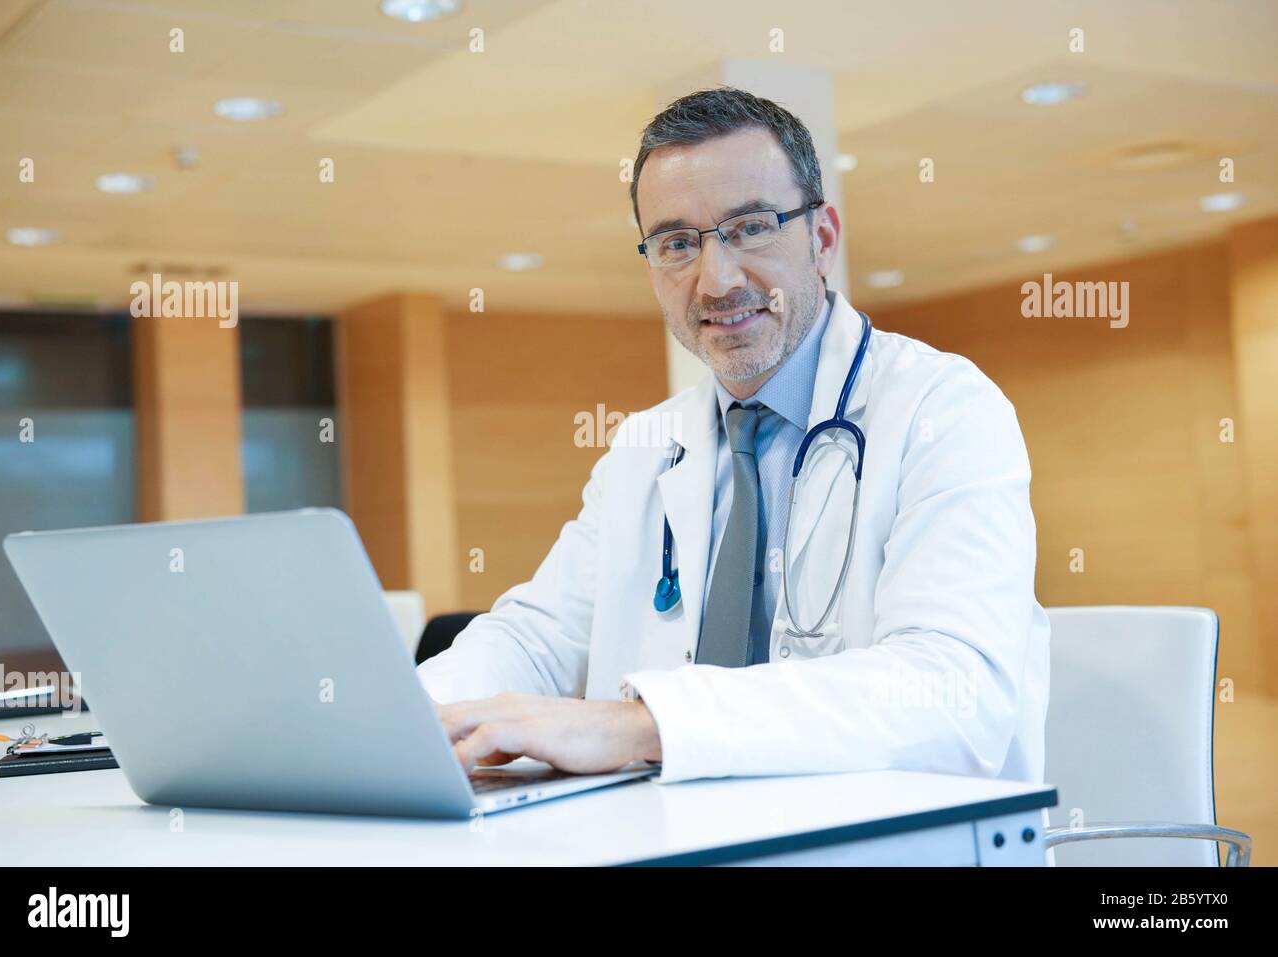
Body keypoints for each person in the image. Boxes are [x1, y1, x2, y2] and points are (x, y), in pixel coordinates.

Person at [418, 87, 1050, 785]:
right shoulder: (645, 447)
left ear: (823, 239)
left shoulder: (944, 410)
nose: (715, 279)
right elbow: (537, 637)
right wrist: (403, 713)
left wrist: (646, 725)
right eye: (677, 243)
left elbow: (953, 691)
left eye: (751, 228)